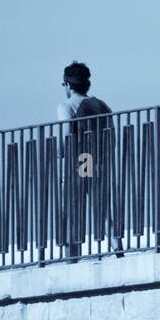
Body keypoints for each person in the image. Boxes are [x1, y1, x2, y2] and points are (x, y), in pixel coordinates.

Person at [56, 62, 117, 256]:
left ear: (68, 85)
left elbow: (66, 137)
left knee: (72, 211)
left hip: (82, 160)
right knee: (103, 210)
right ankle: (119, 251)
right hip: (101, 160)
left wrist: (60, 159)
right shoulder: (102, 105)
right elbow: (112, 137)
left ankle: (72, 260)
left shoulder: (66, 106)